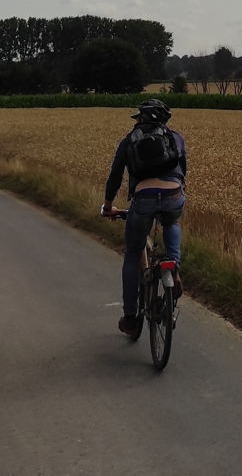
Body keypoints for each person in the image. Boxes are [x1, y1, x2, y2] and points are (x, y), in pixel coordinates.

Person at [100, 98, 187, 338]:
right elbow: (183, 170)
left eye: (138, 117)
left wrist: (108, 206)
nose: (136, 120)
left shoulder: (129, 140)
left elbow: (115, 176)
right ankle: (174, 267)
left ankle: (130, 318)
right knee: (171, 221)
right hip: (173, 194)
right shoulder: (175, 137)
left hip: (143, 198)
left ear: (142, 118)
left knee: (132, 253)